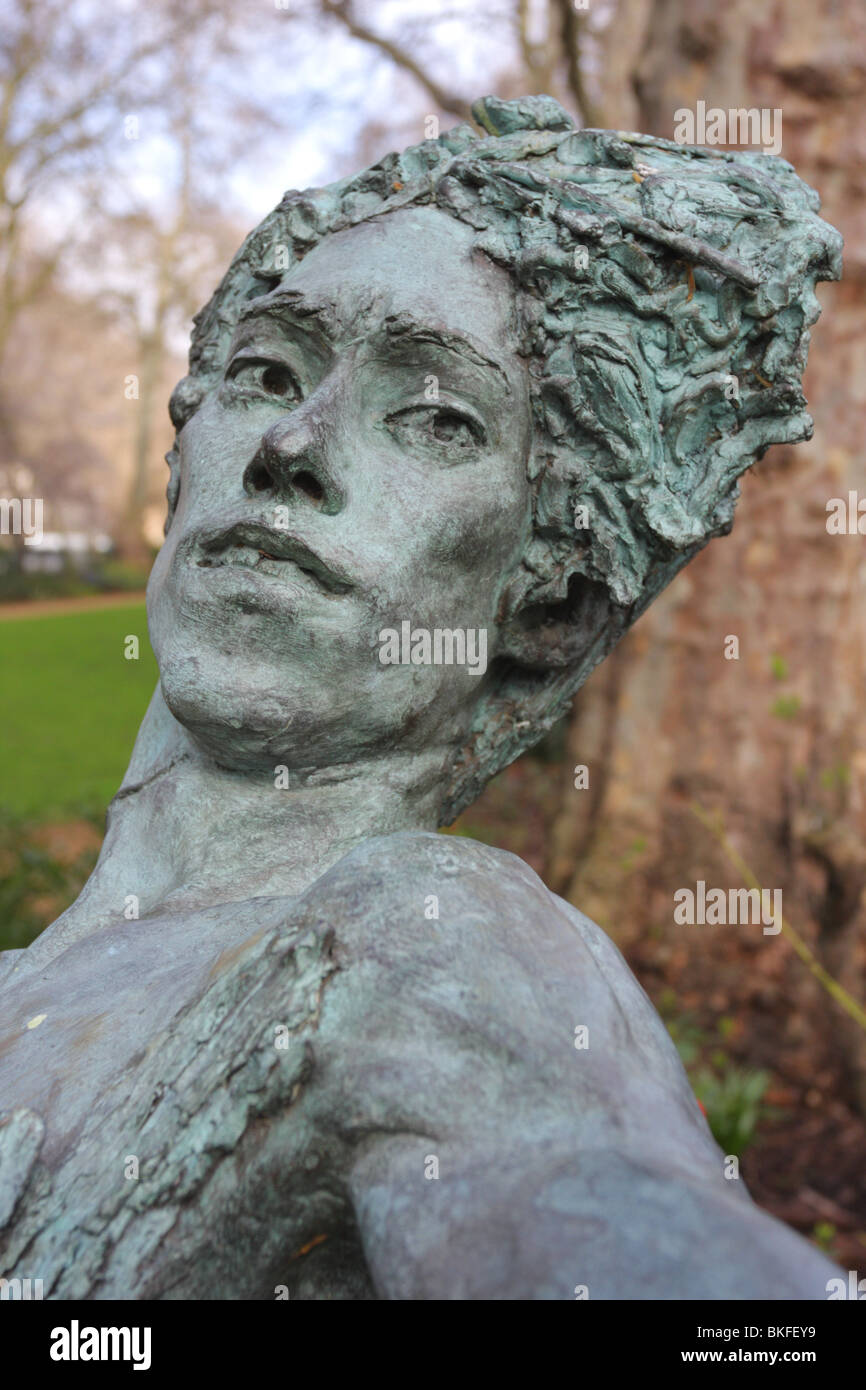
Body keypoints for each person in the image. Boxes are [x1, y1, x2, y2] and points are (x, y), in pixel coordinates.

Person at [0, 96, 843, 1299]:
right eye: (264, 370)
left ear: (543, 607)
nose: (291, 441)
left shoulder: (421, 939)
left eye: (435, 414)